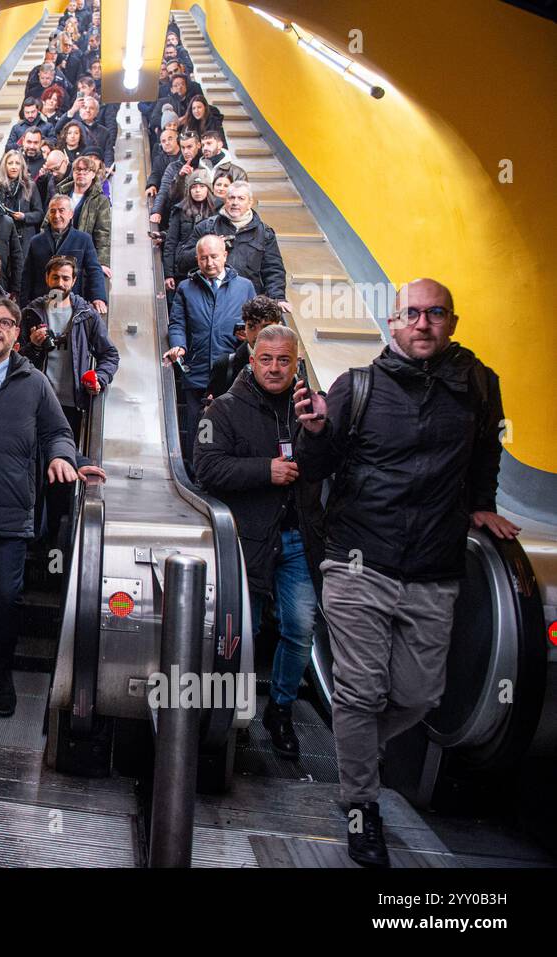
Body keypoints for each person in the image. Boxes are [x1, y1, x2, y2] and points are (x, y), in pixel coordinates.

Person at [293, 278, 519, 868]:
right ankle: (361, 804)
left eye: (435, 314)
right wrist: (312, 434)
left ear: (452, 321)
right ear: (392, 324)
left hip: (433, 567)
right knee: (361, 690)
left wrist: (483, 502)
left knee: (421, 696)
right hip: (359, 559)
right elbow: (317, 467)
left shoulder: (476, 385)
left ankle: (356, 748)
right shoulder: (357, 387)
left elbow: (485, 452)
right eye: (412, 314)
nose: (423, 323)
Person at [0, 296, 104, 721]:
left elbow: (58, 431)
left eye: (5, 323)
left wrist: (62, 458)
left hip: (12, 515)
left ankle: (1, 676)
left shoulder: (33, 382)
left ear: (17, 334)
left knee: (4, 599)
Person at [194, 324, 325, 762]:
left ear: (296, 364)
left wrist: (321, 434)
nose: (274, 368)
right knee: (241, 635)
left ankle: (281, 712)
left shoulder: (311, 410)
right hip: (244, 542)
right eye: (265, 359)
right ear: (252, 361)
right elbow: (206, 470)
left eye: (283, 360)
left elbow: (334, 465)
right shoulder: (224, 410)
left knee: (300, 629)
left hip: (298, 541)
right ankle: (233, 715)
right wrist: (263, 471)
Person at [163, 234, 256, 465]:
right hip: (197, 372)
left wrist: (248, 338)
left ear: (225, 255)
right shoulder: (186, 288)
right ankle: (196, 472)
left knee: (231, 426)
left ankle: (223, 471)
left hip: (233, 375)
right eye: (203, 258)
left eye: (214, 256)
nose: (209, 263)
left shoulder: (244, 287)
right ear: (197, 258)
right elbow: (177, 323)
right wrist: (179, 345)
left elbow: (257, 326)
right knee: (199, 425)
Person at [20, 255, 119, 437]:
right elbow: (15, 359)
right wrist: (33, 346)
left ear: (73, 281)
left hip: (71, 404)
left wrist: (100, 378)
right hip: (35, 401)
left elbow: (110, 354)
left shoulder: (87, 315)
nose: (60, 283)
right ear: (47, 278)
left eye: (66, 278)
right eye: (55, 277)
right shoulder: (29, 313)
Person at [177, 181, 288, 306]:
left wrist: (278, 298)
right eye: (231, 198)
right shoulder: (206, 227)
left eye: (241, 198)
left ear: (250, 202)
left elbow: (273, 270)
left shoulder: (265, 233)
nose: (235, 202)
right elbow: (182, 262)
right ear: (225, 200)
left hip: (247, 303)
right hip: (208, 300)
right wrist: (208, 248)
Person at [22, 195, 108, 312]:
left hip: (72, 304)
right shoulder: (36, 241)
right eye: (52, 211)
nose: (56, 215)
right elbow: (27, 275)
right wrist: (23, 304)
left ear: (71, 214)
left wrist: (98, 297)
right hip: (42, 304)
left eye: (61, 211)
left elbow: (94, 270)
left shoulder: (83, 239)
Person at [208, 295, 282, 399]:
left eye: (266, 327)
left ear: (280, 327)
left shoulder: (291, 365)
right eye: (252, 327)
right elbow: (207, 409)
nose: (258, 334)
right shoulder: (225, 364)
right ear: (244, 328)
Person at [162, 169, 219, 292]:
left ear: (208, 189)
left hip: (210, 267)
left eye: (202, 186)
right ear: (189, 190)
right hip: (183, 268)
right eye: (194, 187)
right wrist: (168, 274)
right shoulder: (180, 210)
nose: (197, 190)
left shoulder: (218, 210)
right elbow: (171, 243)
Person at [52, 154, 111, 269]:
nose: (81, 173)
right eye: (77, 170)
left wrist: (103, 263)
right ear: (73, 172)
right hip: (58, 255)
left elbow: (103, 234)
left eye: (86, 170)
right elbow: (47, 224)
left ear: (93, 174)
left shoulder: (100, 200)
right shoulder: (60, 195)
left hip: (85, 258)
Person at [149, 130, 200, 232]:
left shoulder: (205, 165)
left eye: (189, 147)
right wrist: (156, 211)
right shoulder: (173, 167)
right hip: (179, 217)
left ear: (198, 145)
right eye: (183, 147)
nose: (186, 151)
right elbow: (164, 191)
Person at [0, 149, 44, 247]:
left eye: (17, 163)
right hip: (2, 236)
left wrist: (24, 217)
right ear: (4, 166)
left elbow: (39, 214)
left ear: (22, 166)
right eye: (10, 163)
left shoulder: (30, 186)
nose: (14, 167)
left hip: (24, 238)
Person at [147, 128, 180, 199]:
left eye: (170, 139)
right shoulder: (159, 159)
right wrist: (152, 185)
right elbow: (155, 174)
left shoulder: (185, 155)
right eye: (163, 141)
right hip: (167, 197)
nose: (167, 143)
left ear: (177, 139)